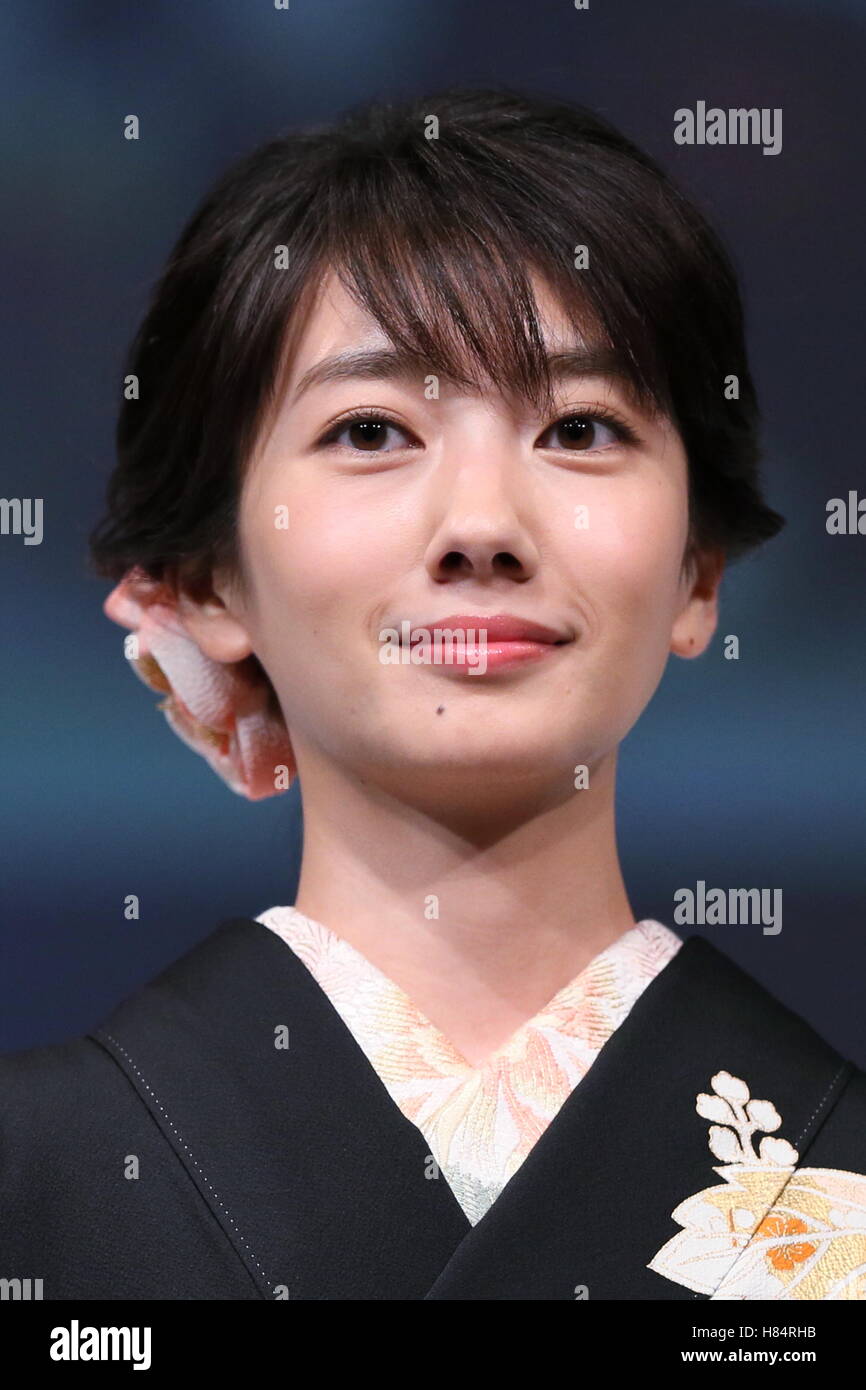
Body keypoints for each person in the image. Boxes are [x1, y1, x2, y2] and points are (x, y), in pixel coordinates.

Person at [3, 87, 865, 1302]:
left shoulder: (842, 1187)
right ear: (205, 580)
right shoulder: (33, 1186)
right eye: (369, 430)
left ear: (695, 572)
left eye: (576, 427)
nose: (479, 527)